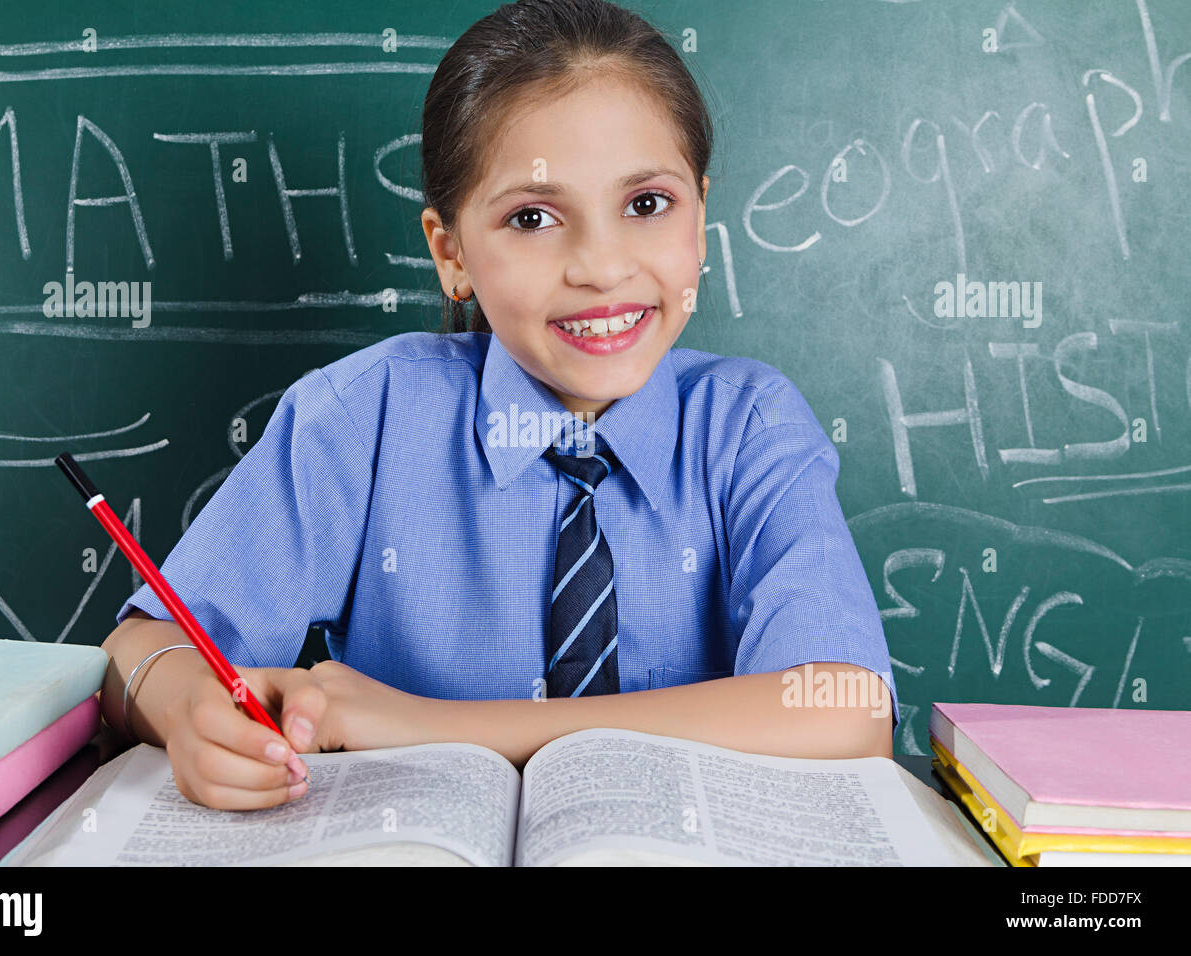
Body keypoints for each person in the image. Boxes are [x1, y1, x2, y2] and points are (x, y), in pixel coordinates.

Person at [99, 0, 898, 811]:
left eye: (647, 204)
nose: (600, 265)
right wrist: (187, 705)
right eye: (532, 217)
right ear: (452, 254)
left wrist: (429, 724)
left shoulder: (748, 424)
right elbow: (141, 646)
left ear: (700, 211)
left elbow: (846, 710)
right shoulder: (362, 417)